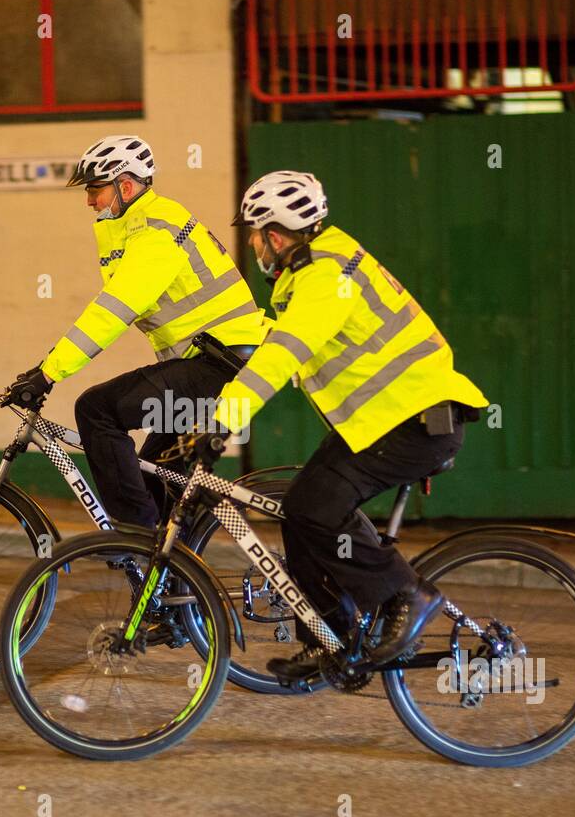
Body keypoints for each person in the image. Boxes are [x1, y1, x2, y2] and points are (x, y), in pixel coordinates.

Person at [191, 170, 490, 682]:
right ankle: (330, 640)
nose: (253, 245)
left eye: (255, 234)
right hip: (386, 421)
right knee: (300, 512)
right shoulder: (314, 271)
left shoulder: (326, 275)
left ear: (275, 235)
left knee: (315, 506)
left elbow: (287, 352)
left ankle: (407, 596)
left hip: (414, 421)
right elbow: (284, 339)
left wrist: (224, 420)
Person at [3, 135, 270, 527]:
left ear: (124, 186)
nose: (89, 201)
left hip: (217, 363)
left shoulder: (154, 233)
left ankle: (132, 539)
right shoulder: (138, 226)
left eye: (95, 189)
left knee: (96, 410)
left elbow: (113, 311)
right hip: (219, 361)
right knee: (155, 475)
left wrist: (48, 373)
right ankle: (168, 575)